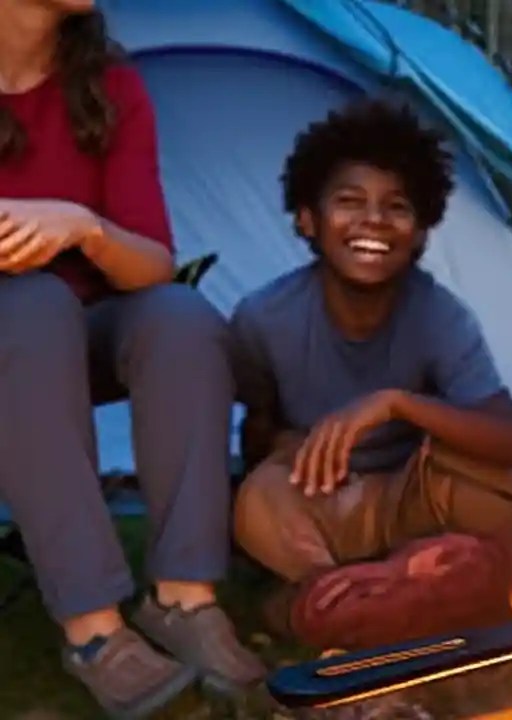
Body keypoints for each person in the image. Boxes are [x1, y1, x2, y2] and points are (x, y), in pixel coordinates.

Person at [0, 3, 265, 716]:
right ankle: (92, 630)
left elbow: (152, 264)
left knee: (179, 319)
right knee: (31, 305)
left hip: (84, 333)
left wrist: (81, 226)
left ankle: (183, 599)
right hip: (12, 337)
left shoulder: (109, 88)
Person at [230, 99, 512, 653]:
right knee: (259, 495)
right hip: (322, 500)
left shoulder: (439, 315)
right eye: (349, 202)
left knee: (489, 487)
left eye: (396, 206)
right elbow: (255, 432)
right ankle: (328, 587)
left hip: (407, 501)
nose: (374, 219)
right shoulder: (264, 318)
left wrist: (396, 404)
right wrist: (297, 448)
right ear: (307, 219)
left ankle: (354, 599)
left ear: (421, 231)